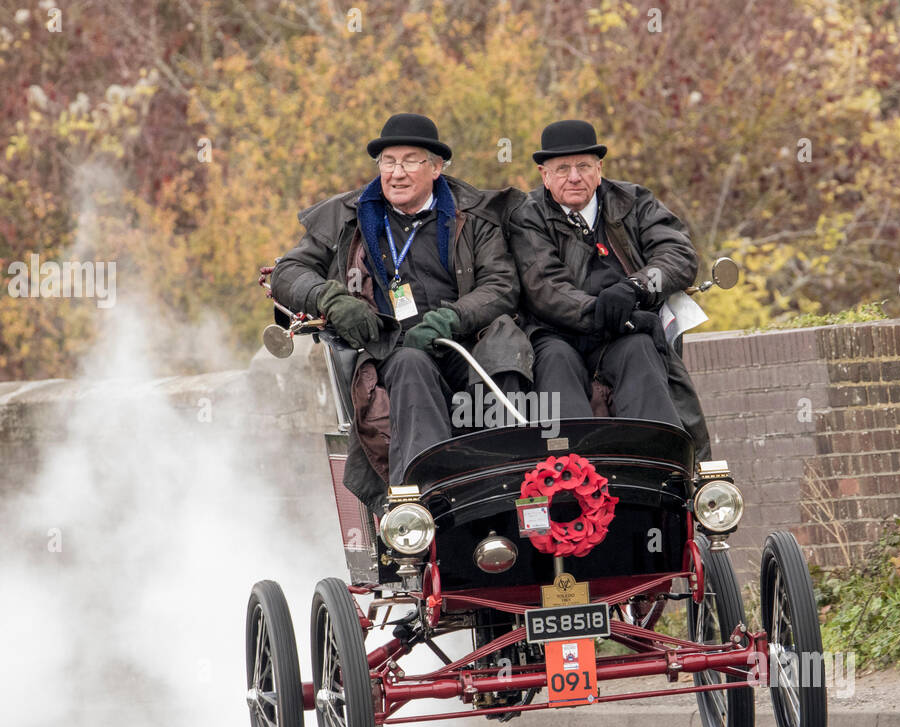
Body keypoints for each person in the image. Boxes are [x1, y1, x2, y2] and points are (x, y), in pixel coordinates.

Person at [270, 113, 529, 510]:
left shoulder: (475, 213)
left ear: (437, 168)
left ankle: (516, 491)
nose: (397, 173)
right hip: (390, 349)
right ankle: (423, 505)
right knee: (410, 363)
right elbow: (287, 273)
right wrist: (330, 299)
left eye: (410, 161)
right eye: (388, 162)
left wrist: (453, 317)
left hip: (465, 345)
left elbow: (502, 285)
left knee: (506, 360)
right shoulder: (346, 216)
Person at [507, 119, 711, 460]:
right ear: (545, 175)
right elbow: (545, 287)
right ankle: (571, 475)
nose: (575, 177)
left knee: (642, 351)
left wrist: (636, 288)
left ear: (599, 169)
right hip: (558, 333)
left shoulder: (633, 200)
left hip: (626, 330)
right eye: (562, 169)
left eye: (584, 166)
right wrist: (609, 314)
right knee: (554, 363)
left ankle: (663, 472)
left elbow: (678, 255)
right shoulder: (526, 215)